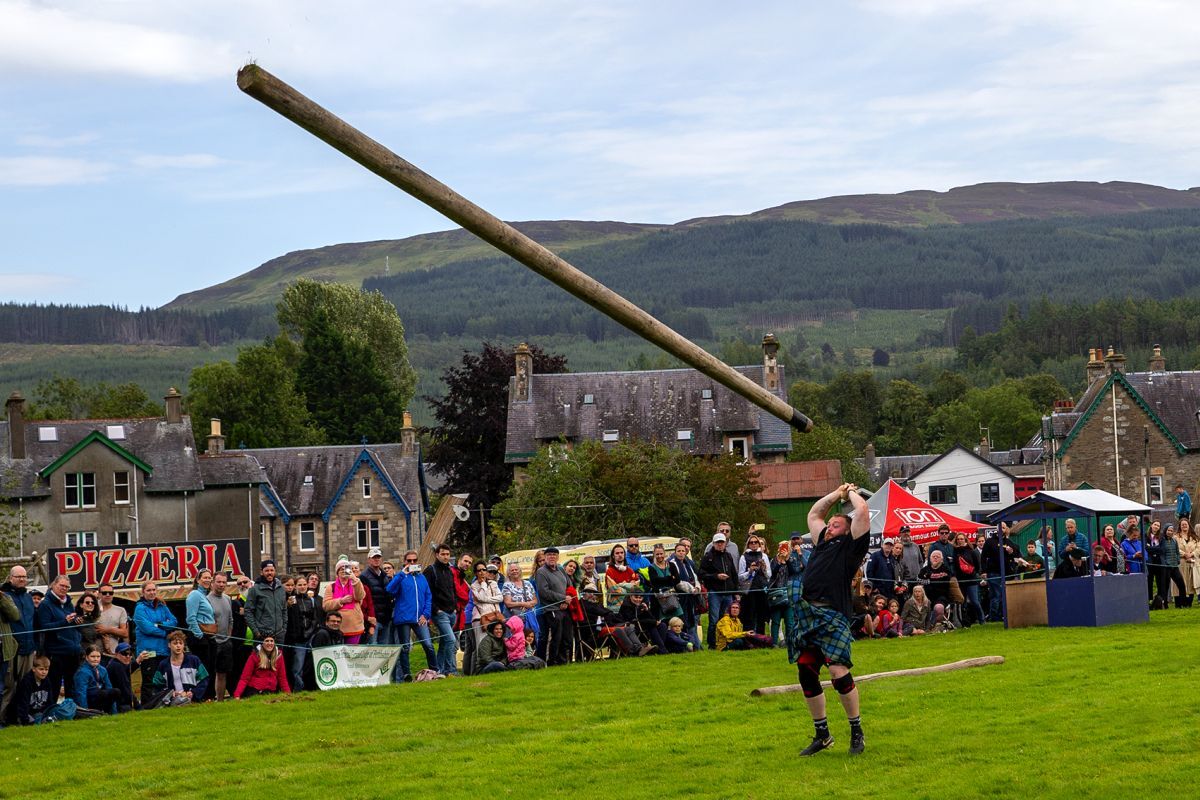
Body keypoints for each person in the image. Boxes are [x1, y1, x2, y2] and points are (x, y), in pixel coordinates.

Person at [787, 483, 871, 756]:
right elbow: (814, 514)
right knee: (806, 671)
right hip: (808, 612)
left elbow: (862, 511)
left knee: (838, 671)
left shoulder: (851, 547)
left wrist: (851, 493)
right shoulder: (822, 541)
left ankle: (856, 731)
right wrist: (837, 493)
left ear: (847, 531)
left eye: (835, 525)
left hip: (833, 614)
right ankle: (822, 734)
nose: (829, 527)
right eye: (831, 524)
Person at [388, 550, 436, 683]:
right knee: (405, 647)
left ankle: (434, 670)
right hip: (403, 618)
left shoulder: (422, 578)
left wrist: (425, 614)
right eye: (409, 561)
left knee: (428, 644)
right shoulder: (401, 577)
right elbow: (389, 590)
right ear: (405, 562)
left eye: (415, 560)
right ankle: (406, 674)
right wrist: (402, 574)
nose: (412, 563)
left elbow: (428, 596)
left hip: (420, 618)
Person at [34, 574, 83, 699]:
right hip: (56, 652)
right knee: (54, 685)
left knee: (72, 684)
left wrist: (77, 621)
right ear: (54, 585)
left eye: (67, 586)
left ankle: (71, 710)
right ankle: (52, 712)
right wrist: (64, 621)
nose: (64, 588)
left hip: (73, 650)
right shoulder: (45, 604)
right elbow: (44, 627)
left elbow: (71, 622)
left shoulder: (68, 602)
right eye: (62, 585)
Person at [1, 565, 36, 723]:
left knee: (25, 685)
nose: (22, 579)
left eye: (24, 577)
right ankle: (3, 718)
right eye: (18, 577)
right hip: (12, 648)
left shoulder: (28, 597)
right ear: (10, 578)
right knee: (9, 686)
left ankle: (20, 717)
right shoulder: (5, 596)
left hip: (29, 648)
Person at [423, 544, 460, 676]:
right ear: (437, 555)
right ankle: (450, 670)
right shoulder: (430, 570)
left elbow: (453, 590)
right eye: (443, 554)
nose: (445, 557)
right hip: (440, 613)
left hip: (451, 612)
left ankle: (438, 671)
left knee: (445, 642)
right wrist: (435, 610)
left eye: (447, 554)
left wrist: (455, 607)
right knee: (451, 640)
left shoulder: (449, 571)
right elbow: (426, 592)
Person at [535, 547, 573, 666]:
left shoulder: (561, 569)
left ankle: (564, 661)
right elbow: (543, 592)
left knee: (566, 636)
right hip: (551, 609)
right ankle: (552, 661)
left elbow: (569, 585)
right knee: (555, 637)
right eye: (549, 555)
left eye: (554, 555)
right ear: (545, 557)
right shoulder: (541, 572)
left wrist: (566, 601)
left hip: (564, 608)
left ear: (557, 557)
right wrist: (562, 598)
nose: (552, 557)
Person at [150, 631, 209, 707]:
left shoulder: (194, 660)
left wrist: (193, 693)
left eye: (180, 643)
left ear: (184, 645)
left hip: (192, 700)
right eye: (175, 643)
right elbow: (157, 684)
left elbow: (204, 679)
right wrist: (169, 693)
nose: (178, 646)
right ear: (169, 645)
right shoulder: (163, 664)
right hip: (171, 701)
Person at [700, 532, 738, 649]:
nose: (720, 544)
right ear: (714, 543)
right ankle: (712, 644)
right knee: (714, 620)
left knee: (725, 619)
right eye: (718, 542)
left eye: (722, 542)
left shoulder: (728, 556)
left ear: (725, 543)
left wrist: (736, 591)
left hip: (727, 593)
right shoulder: (708, 557)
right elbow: (701, 574)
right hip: (715, 592)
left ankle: (723, 643)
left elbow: (733, 574)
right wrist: (716, 576)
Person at [15, 655, 77, 725]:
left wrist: (52, 711)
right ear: (33, 669)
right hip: (32, 714)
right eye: (41, 669)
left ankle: (52, 718)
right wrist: (25, 721)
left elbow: (50, 703)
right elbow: (23, 705)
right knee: (38, 717)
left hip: (44, 712)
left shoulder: (47, 680)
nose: (44, 672)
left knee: (70, 703)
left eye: (46, 669)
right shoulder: (26, 682)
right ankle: (50, 719)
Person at [185, 569, 217, 700]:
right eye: (204, 577)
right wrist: (200, 635)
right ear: (198, 580)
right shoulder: (194, 595)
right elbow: (190, 618)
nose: (208, 580)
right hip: (200, 637)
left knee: (211, 668)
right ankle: (202, 696)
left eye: (209, 578)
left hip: (209, 635)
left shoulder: (205, 595)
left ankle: (209, 696)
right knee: (203, 669)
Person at [323, 558, 367, 644]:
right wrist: (341, 601)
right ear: (337, 572)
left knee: (351, 654)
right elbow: (326, 606)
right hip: (336, 627)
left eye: (346, 568)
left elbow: (360, 596)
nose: (344, 571)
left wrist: (354, 579)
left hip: (354, 626)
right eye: (341, 569)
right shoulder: (331, 587)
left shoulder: (356, 583)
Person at [246, 559, 287, 644]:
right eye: (267, 570)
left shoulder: (281, 589)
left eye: (272, 570)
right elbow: (248, 611)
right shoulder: (255, 589)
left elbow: (284, 609)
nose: (269, 573)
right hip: (262, 635)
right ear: (262, 572)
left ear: (275, 571)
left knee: (278, 657)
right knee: (262, 658)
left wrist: (284, 628)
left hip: (279, 635)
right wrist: (256, 631)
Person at [669, 541, 702, 645]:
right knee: (683, 622)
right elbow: (677, 582)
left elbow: (695, 577)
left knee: (692, 622)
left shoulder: (688, 563)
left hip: (691, 598)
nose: (681, 553)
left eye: (683, 551)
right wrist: (691, 589)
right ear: (675, 552)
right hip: (680, 598)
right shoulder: (672, 563)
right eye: (679, 551)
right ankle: (685, 644)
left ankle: (695, 645)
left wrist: (697, 587)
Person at [738, 534, 771, 634]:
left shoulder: (764, 556)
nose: (753, 544)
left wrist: (764, 568)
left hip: (761, 588)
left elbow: (769, 575)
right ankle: (748, 640)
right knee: (749, 615)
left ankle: (761, 639)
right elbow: (740, 576)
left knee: (761, 615)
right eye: (751, 542)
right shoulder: (743, 557)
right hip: (749, 590)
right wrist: (750, 571)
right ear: (748, 544)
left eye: (755, 542)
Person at [361, 547, 394, 645]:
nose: (376, 559)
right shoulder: (364, 576)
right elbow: (364, 601)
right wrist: (369, 619)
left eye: (378, 557)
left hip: (386, 618)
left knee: (384, 647)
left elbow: (388, 596)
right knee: (373, 648)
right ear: (369, 560)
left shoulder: (384, 575)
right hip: (373, 619)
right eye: (374, 557)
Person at [73, 644, 119, 714]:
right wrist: (85, 712)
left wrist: (114, 712)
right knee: (104, 693)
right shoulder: (82, 672)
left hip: (99, 697)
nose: (96, 659)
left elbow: (109, 687)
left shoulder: (103, 670)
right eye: (92, 656)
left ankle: (108, 713)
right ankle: (92, 712)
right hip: (90, 699)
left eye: (98, 656)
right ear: (86, 657)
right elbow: (81, 693)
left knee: (115, 691)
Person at [502, 562, 540, 644]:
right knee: (517, 641)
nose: (514, 571)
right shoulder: (507, 585)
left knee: (530, 640)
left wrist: (528, 605)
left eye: (516, 569)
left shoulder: (528, 583)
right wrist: (524, 604)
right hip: (515, 619)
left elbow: (535, 600)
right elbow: (508, 603)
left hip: (529, 617)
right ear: (508, 573)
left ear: (520, 571)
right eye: (512, 570)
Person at [952, 533, 984, 626]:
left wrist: (973, 573)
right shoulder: (955, 551)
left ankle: (981, 619)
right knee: (963, 602)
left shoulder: (971, 551)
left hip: (971, 579)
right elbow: (955, 566)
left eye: (962, 539)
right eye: (958, 539)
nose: (960, 541)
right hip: (960, 580)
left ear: (965, 540)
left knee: (975, 601)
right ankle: (965, 622)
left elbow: (977, 566)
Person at [94, 583, 129, 664]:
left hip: (113, 653)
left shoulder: (120, 610)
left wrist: (107, 630)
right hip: (93, 653)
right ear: (99, 594)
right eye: (104, 593)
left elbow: (124, 633)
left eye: (110, 593)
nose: (108, 595)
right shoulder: (92, 606)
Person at [767, 542, 792, 647]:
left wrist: (786, 560)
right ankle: (774, 642)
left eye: (785, 547)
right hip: (776, 594)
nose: (782, 549)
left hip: (789, 593)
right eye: (780, 546)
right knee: (776, 620)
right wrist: (780, 562)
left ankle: (789, 642)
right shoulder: (773, 560)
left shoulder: (791, 560)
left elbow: (794, 572)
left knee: (789, 620)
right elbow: (771, 573)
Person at [604, 544, 640, 613]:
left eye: (622, 552)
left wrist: (620, 585)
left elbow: (636, 588)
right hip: (615, 608)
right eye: (617, 553)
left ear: (624, 554)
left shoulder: (630, 570)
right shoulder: (610, 571)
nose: (620, 555)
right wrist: (628, 585)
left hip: (629, 607)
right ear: (613, 556)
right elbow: (613, 589)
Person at [1160, 524, 1187, 608]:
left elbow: (1177, 552)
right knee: (1166, 586)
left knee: (1181, 585)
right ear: (1165, 531)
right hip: (1166, 567)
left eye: (1171, 531)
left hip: (1175, 566)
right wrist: (1164, 563)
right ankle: (1165, 605)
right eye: (1168, 530)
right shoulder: (1162, 541)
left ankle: (1182, 604)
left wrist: (1178, 559)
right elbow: (1161, 554)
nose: (1170, 532)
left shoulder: (1174, 541)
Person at [1180, 520, 1200, 607]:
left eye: (1186, 524)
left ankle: (1189, 603)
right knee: (1183, 582)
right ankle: (1182, 602)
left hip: (1193, 562)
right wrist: (1185, 554)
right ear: (1180, 526)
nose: (1184, 526)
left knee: (1192, 582)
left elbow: (1199, 548)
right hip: (1182, 562)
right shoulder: (1176, 537)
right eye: (1182, 524)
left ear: (1189, 525)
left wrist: (1191, 554)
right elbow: (1176, 548)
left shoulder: (1195, 537)